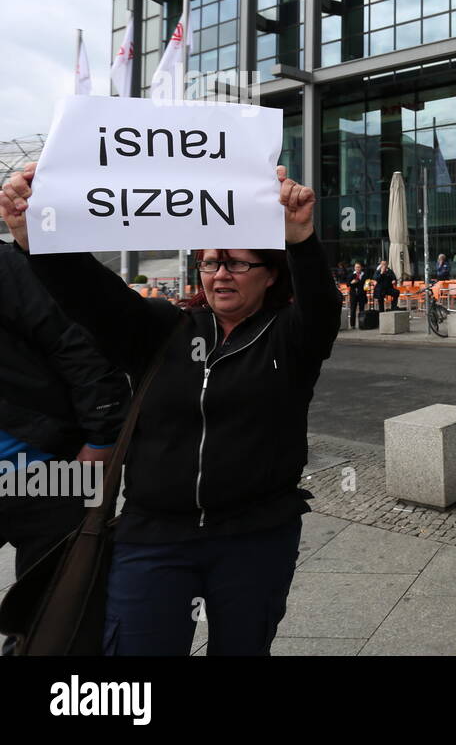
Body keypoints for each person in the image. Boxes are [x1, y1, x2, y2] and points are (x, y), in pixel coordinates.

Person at [0, 162, 341, 656]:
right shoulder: (161, 329)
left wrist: (301, 240)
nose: (220, 275)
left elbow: (321, 309)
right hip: (154, 537)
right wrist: (38, 236)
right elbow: (91, 294)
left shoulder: (290, 338)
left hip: (256, 536)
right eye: (209, 264)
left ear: (269, 277)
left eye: (237, 264)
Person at [0, 241, 130, 655]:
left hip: (45, 469)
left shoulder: (6, 267)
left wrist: (102, 437)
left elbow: (77, 344)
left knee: (57, 618)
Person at [347, 261, 369, 328]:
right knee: (353, 309)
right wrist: (351, 282)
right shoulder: (351, 275)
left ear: (361, 268)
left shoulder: (364, 275)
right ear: (354, 268)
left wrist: (367, 284)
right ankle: (352, 325)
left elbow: (367, 284)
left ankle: (361, 324)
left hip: (362, 294)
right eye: (356, 267)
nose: (357, 268)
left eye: (358, 267)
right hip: (353, 294)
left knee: (362, 309)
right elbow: (348, 284)